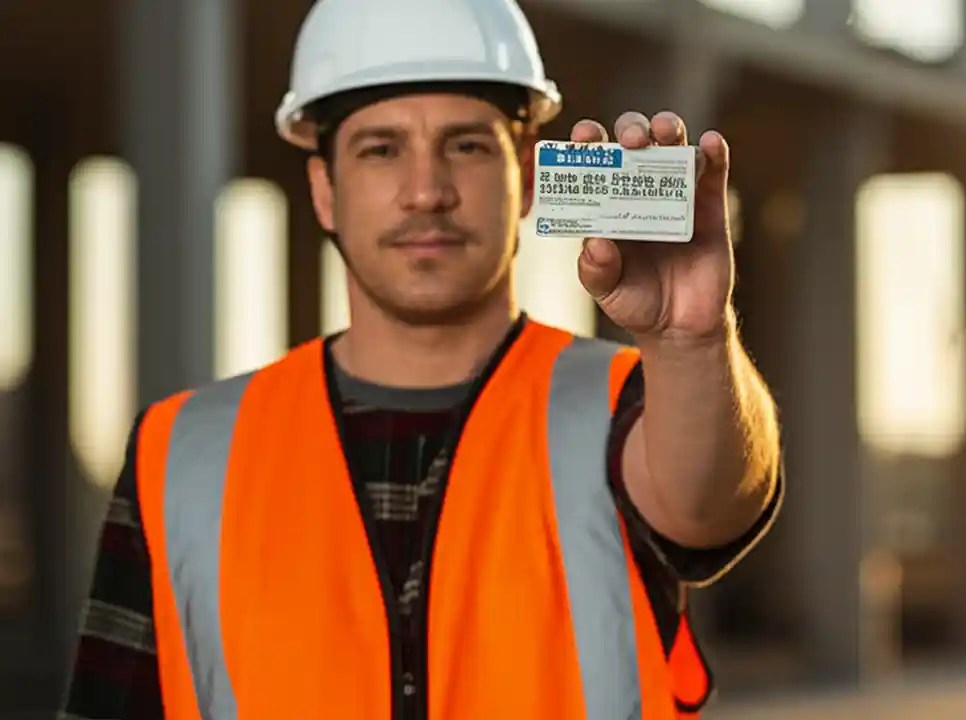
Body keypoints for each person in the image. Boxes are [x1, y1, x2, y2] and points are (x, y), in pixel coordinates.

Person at [60, 0, 782, 717]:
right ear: (324, 190)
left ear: (527, 177)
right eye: (381, 149)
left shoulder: (630, 404)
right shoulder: (180, 453)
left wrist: (692, 342)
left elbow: (708, 506)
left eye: (466, 145)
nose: (426, 192)